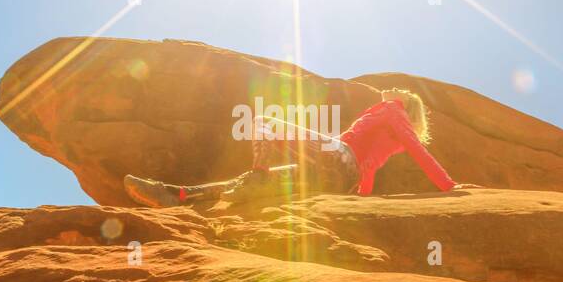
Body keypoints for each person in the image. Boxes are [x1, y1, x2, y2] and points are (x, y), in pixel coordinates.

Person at [123, 88, 458, 207]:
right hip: (337, 180)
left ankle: (257, 174)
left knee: (265, 122)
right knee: (240, 186)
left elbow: (416, 152)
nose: (384, 98)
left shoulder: (391, 111)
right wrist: (360, 198)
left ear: (403, 104)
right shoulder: (397, 135)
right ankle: (174, 194)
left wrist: (449, 187)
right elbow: (368, 166)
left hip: (337, 157)